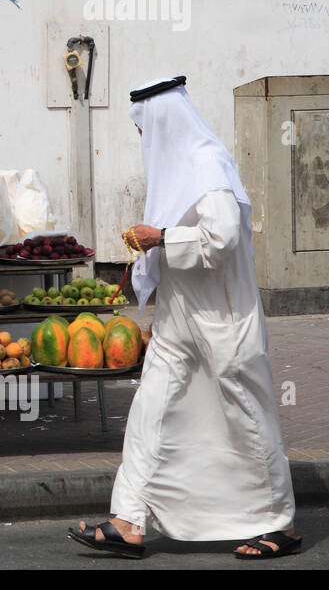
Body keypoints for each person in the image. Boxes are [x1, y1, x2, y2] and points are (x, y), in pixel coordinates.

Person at [69, 76, 301, 560]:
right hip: (180, 317)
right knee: (151, 407)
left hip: (223, 320)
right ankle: (127, 520)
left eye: (143, 129)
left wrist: (159, 238)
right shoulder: (177, 171)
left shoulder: (206, 164)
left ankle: (280, 524)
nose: (141, 140)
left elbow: (220, 240)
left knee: (247, 417)